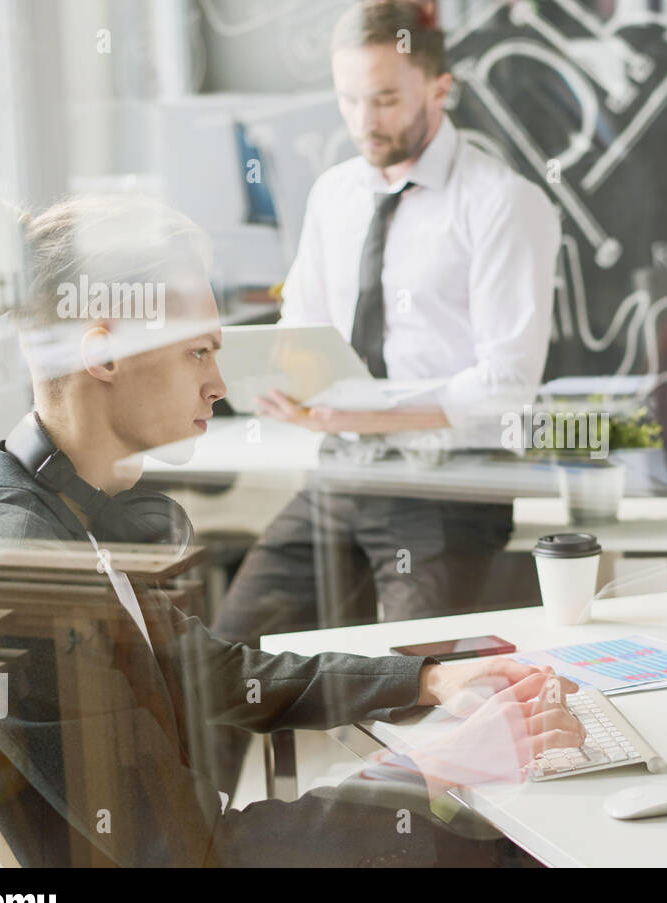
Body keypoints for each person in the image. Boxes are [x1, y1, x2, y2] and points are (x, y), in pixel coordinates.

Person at [0, 189, 581, 867]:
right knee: (499, 843)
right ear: (104, 355)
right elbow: (201, 851)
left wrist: (427, 681)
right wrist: (437, 764)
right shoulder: (20, 574)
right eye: (197, 352)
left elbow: (212, 669)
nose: (218, 383)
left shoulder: (38, 512)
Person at [213, 0, 562, 647]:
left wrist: (367, 415)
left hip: (447, 490)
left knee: (411, 679)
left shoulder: (503, 203)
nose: (363, 123)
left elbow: (508, 382)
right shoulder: (334, 194)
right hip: (341, 472)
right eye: (348, 100)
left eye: (384, 100)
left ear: (439, 87)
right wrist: (281, 377)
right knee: (226, 656)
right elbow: (305, 320)